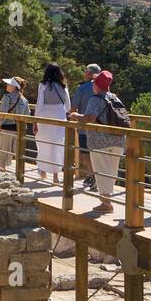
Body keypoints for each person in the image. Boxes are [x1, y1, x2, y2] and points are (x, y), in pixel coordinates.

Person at [78, 70, 125, 214]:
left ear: (97, 84)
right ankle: (107, 200)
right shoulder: (115, 98)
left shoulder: (96, 99)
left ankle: (106, 204)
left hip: (100, 141)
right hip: (118, 140)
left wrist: (76, 116)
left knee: (101, 171)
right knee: (111, 171)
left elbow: (90, 118)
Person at [35, 63, 70, 184]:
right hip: (59, 117)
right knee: (57, 145)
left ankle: (43, 171)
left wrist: (36, 120)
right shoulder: (63, 86)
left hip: (45, 117)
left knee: (43, 144)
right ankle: (56, 176)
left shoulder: (43, 85)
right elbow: (68, 106)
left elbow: (39, 104)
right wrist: (60, 110)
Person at [69, 63, 101, 187]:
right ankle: (99, 177)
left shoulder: (82, 88)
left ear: (89, 73)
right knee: (97, 153)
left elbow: (73, 107)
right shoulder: (104, 87)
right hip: (100, 126)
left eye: (85, 71)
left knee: (85, 153)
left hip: (84, 126)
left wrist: (71, 115)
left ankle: (91, 175)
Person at [0, 77, 29, 170]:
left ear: (14, 86)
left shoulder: (7, 97)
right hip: (19, 128)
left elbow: (3, 113)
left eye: (9, 84)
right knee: (17, 150)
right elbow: (27, 115)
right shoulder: (24, 99)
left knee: (4, 149)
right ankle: (19, 170)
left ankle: (3, 169)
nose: (7, 85)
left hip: (7, 126)